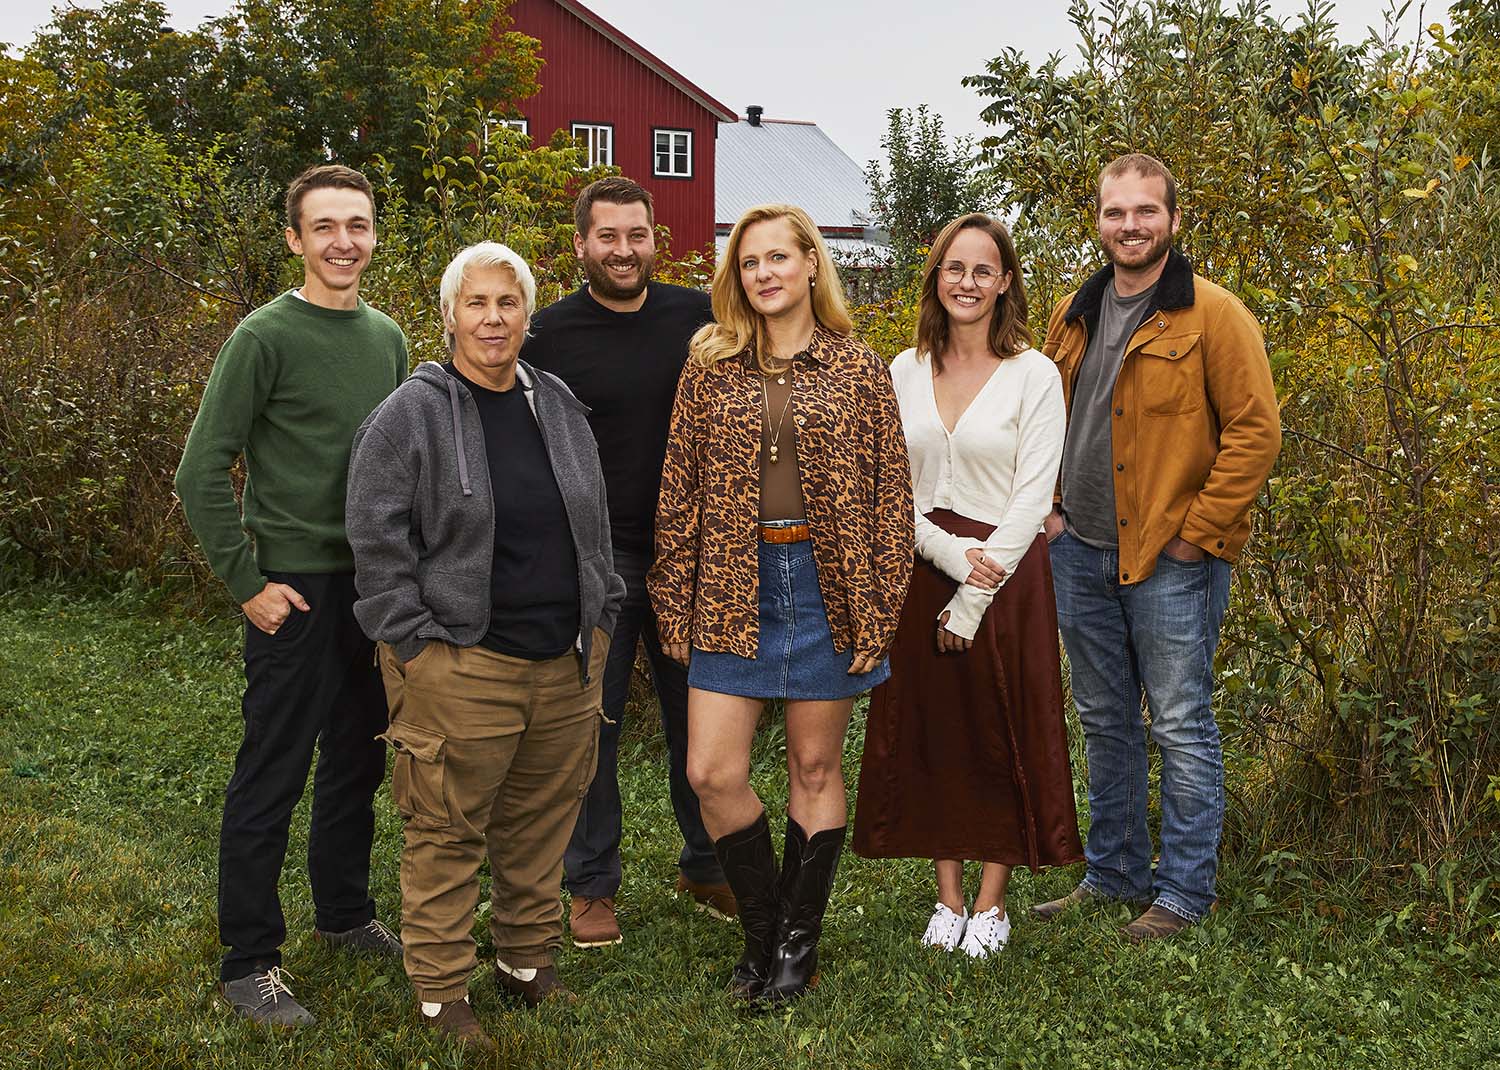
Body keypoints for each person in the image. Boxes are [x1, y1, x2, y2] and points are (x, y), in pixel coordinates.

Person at [345, 242, 625, 1050]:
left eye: (508, 303)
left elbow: (595, 518)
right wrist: (415, 640)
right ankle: (439, 989)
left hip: (565, 661)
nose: (493, 319)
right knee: (446, 827)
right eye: (477, 303)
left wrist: (600, 615)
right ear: (448, 317)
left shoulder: (558, 402)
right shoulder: (412, 412)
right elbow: (374, 534)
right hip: (461, 662)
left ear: (528, 315)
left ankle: (525, 960)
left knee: (541, 821)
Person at [649, 203, 914, 1003]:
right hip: (732, 583)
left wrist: (879, 608)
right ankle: (760, 935)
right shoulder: (709, 362)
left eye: (777, 258)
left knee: (813, 765)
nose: (764, 274)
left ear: (809, 264)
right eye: (749, 262)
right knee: (711, 771)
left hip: (827, 581)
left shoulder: (859, 368)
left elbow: (891, 501)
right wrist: (673, 600)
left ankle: (796, 950)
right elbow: (679, 490)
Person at [174, 164, 407, 1027]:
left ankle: (345, 915)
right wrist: (247, 584)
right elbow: (199, 469)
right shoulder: (262, 336)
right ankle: (249, 961)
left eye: (359, 224)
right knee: (272, 770)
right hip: (295, 592)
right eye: (325, 227)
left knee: (359, 760)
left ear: (373, 234)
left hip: (374, 588)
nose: (344, 241)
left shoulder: (386, 337)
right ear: (294, 238)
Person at [1035, 154, 1280, 941]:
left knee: (1180, 722)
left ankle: (1183, 893)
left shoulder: (1215, 314)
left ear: (1173, 219)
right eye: (1116, 212)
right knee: (1105, 719)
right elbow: (1047, 420)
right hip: (1080, 553)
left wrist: (1195, 536)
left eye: (1146, 211)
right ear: (1098, 221)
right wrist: (1050, 512)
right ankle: (1113, 875)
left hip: (1170, 563)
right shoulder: (1072, 315)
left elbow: (1256, 432)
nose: (1130, 225)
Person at [852, 213, 1084, 957]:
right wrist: (950, 560)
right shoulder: (901, 369)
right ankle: (947, 898)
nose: (968, 283)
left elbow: (1034, 493)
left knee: (1002, 730)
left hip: (1008, 576)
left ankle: (991, 903)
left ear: (1006, 281)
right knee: (932, 733)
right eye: (955, 268)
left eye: (984, 270)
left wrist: (976, 591)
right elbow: (890, 489)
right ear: (936, 276)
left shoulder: (1035, 374)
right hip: (920, 569)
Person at [522, 177, 727, 948]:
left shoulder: (698, 317)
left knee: (700, 719)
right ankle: (592, 884)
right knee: (591, 729)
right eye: (606, 237)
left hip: (690, 556)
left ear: (654, 238)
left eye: (636, 235)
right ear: (580, 245)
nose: (623, 251)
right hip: (592, 564)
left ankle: (706, 863)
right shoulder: (546, 336)